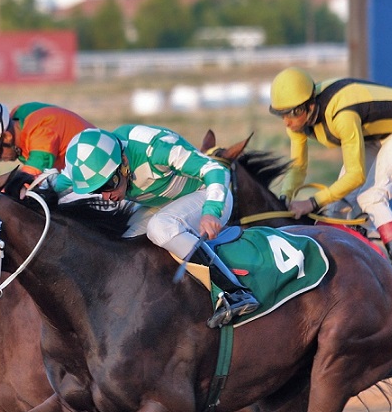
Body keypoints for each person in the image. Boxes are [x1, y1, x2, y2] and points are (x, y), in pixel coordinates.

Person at [52, 124, 259, 328]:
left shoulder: (156, 149)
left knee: (160, 228)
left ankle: (234, 291)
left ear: (124, 161)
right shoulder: (92, 165)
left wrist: (211, 211)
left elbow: (215, 169)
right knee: (122, 240)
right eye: (97, 190)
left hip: (209, 196)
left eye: (109, 184)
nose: (107, 196)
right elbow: (54, 185)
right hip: (164, 204)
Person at [268, 66, 392, 284]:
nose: (287, 122)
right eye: (282, 114)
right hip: (370, 133)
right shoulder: (297, 122)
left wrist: (312, 203)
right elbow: (298, 167)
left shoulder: (342, 114)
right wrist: (284, 196)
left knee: (370, 198)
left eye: (293, 113)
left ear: (310, 105)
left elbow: (355, 176)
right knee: (336, 208)